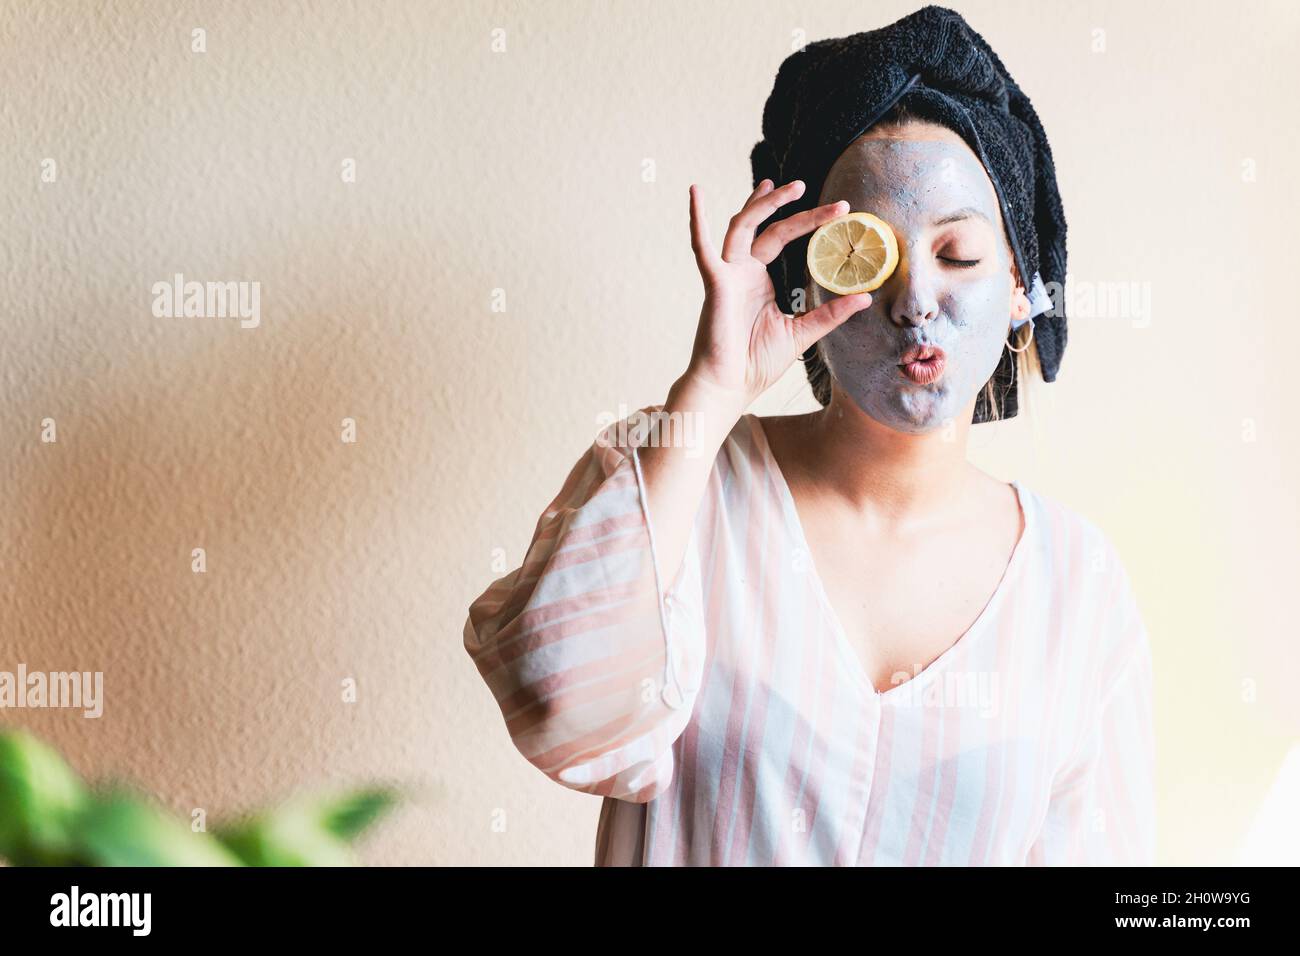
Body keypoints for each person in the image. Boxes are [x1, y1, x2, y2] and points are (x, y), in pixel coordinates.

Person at [462, 7, 1156, 866]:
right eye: (868, 255)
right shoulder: (687, 483)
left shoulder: (1078, 590)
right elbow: (563, 713)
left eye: (960, 255)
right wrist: (711, 388)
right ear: (806, 279)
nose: (914, 302)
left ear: (1021, 285)